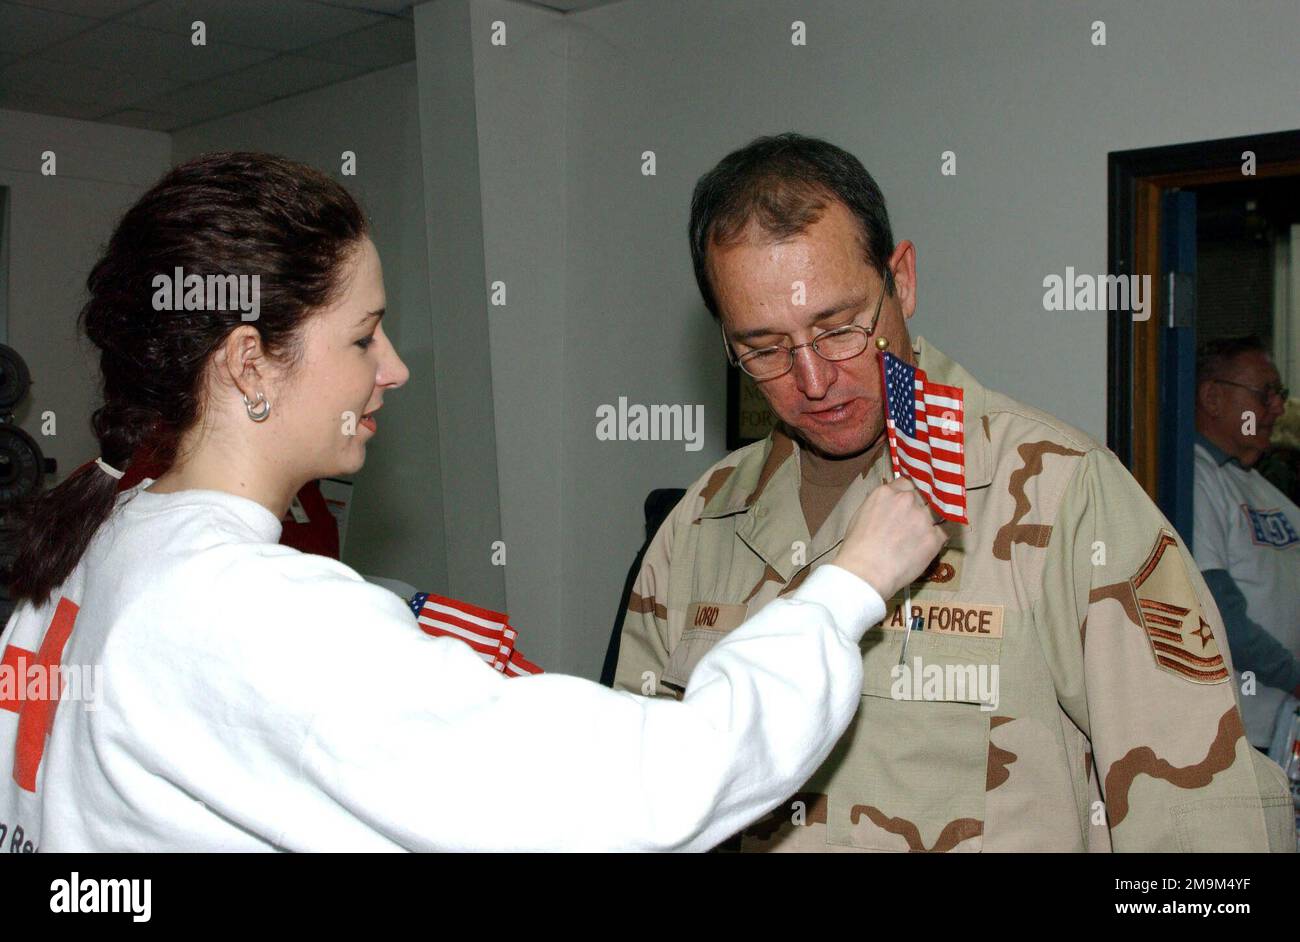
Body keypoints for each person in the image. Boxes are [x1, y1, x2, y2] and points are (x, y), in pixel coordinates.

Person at [0, 152, 946, 852]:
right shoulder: (246, 613)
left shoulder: (95, 525)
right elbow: (662, 782)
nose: (395, 369)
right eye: (365, 337)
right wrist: (848, 585)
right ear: (252, 362)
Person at [612, 133, 1293, 852]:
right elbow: (635, 796)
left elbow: (1203, 821)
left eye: (838, 328)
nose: (812, 381)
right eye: (765, 348)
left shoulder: (1061, 493)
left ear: (900, 280)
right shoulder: (703, 520)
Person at [1192, 336, 1299, 762]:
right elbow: (1217, 611)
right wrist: (1293, 676)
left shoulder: (1258, 487)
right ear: (1213, 397)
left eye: (1280, 395)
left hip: (1280, 728)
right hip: (1238, 735)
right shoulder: (1194, 478)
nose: (1276, 408)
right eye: (1264, 394)